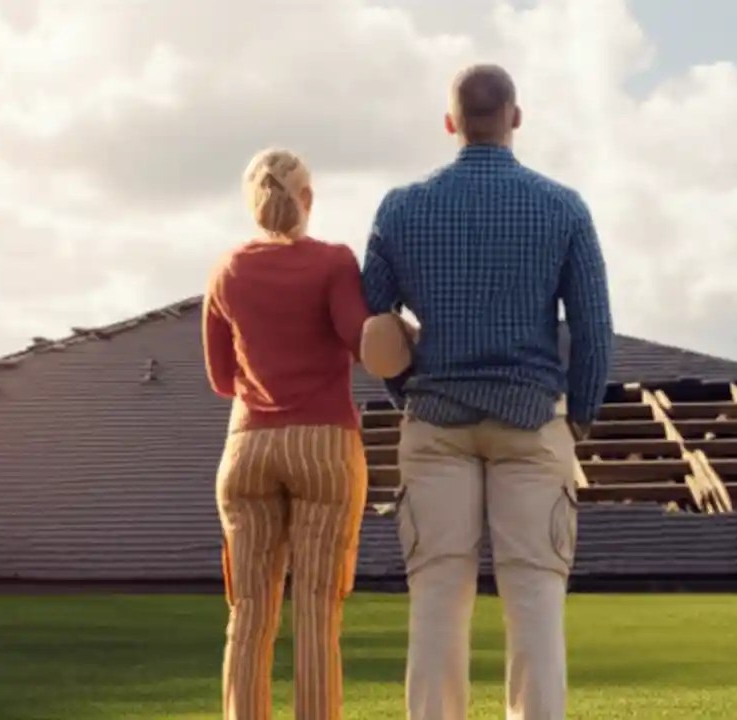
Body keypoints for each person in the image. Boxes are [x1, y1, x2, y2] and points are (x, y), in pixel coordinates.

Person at [361, 64, 614, 719]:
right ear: (515, 118)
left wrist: (404, 392)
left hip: (437, 419)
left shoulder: (400, 208)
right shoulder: (563, 208)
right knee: (534, 603)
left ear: (450, 124)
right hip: (531, 419)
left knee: (437, 603)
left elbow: (374, 325)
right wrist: (578, 418)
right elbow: (593, 328)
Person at [203, 148, 380, 720]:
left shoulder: (226, 269)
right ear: (307, 199)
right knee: (316, 611)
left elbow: (220, 380)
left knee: (249, 611)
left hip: (248, 447)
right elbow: (362, 342)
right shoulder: (333, 263)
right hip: (324, 446)